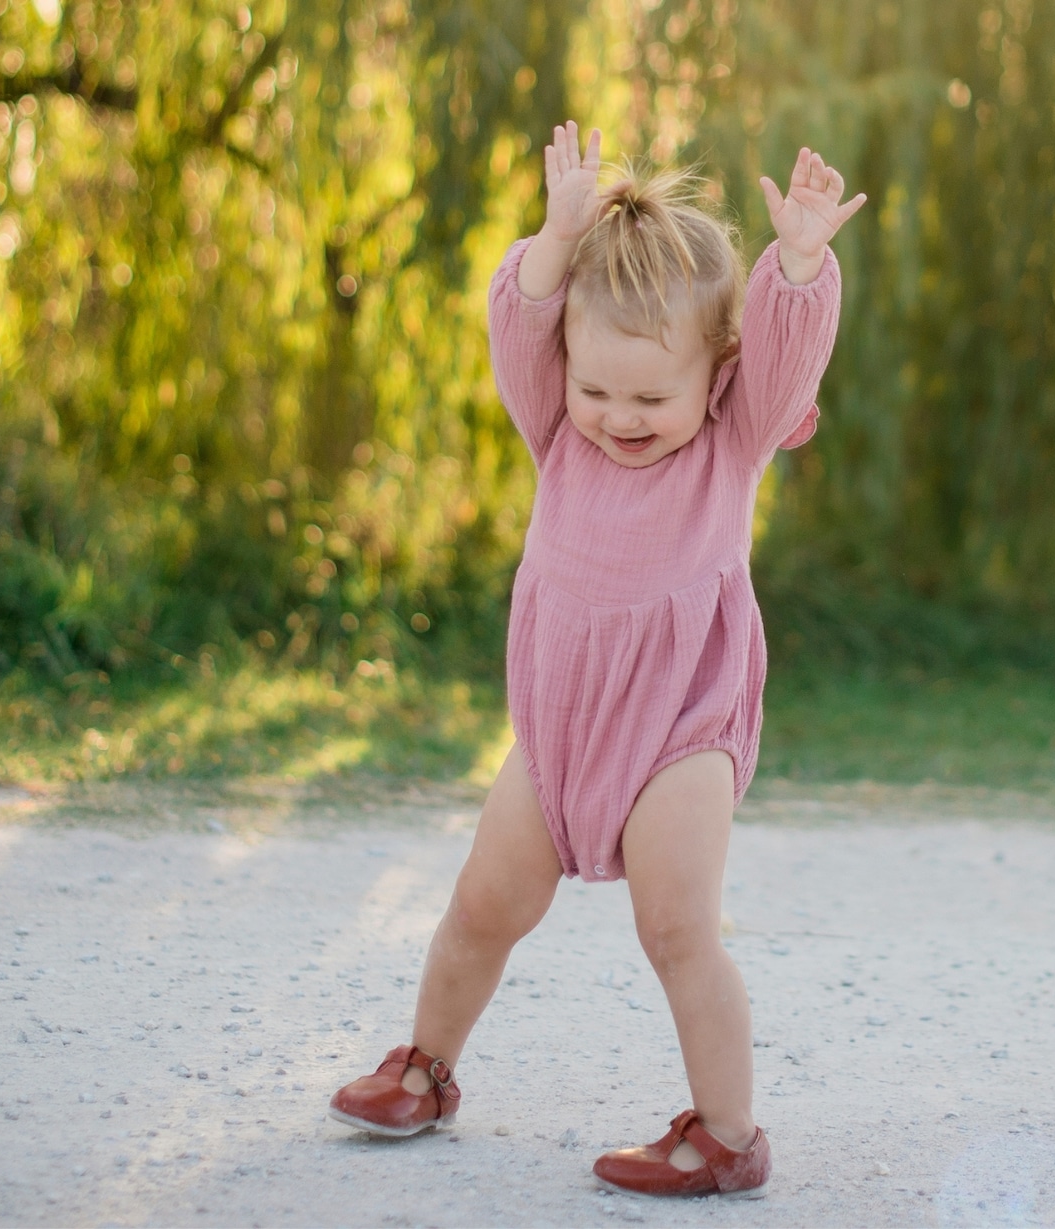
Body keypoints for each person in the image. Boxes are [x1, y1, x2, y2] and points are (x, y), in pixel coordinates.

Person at [327, 120, 863, 1199]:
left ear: (716, 375)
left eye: (649, 398)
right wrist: (552, 236)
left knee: (674, 924)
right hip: (559, 732)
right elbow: (517, 322)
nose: (618, 417)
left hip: (680, 728)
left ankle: (724, 1133)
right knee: (483, 901)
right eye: (596, 389)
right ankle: (425, 1067)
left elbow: (787, 351)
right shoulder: (554, 426)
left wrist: (798, 262)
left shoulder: (730, 438)